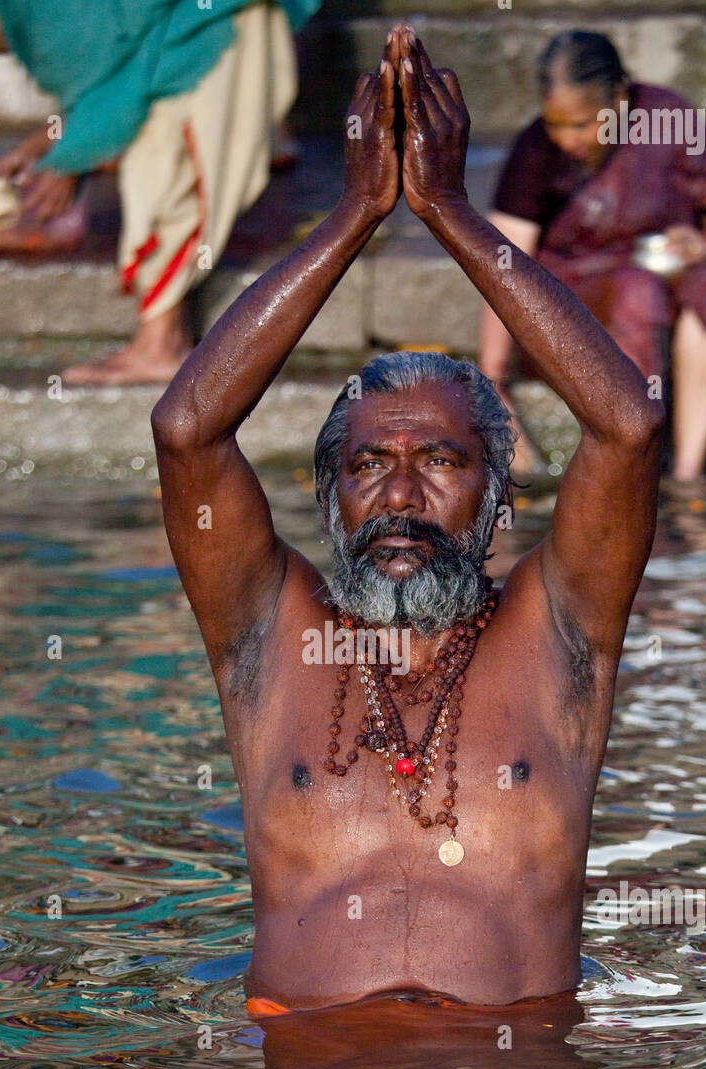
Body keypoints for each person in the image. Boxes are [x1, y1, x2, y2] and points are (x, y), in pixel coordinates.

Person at [152, 26, 664, 1013]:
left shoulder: (559, 634)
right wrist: (352, 214)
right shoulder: (269, 636)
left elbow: (628, 425)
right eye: (367, 467)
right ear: (328, 498)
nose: (398, 494)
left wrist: (445, 209)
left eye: (439, 462)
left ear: (498, 497)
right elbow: (185, 428)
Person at [0, 0, 319, 384]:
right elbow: (112, 85)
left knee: (166, 179)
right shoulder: (35, 15)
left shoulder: (42, 12)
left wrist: (70, 161)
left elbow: (121, 92)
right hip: (200, 36)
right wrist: (33, 152)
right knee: (161, 173)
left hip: (214, 33)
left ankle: (160, 348)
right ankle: (168, 339)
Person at [479, 30, 706, 484]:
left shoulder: (671, 119)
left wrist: (704, 244)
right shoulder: (535, 151)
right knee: (636, 292)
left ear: (619, 99)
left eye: (583, 124)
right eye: (555, 124)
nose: (566, 139)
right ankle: (635, 465)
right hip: (581, 297)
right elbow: (505, 264)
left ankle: (685, 475)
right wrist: (492, 376)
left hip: (671, 281)